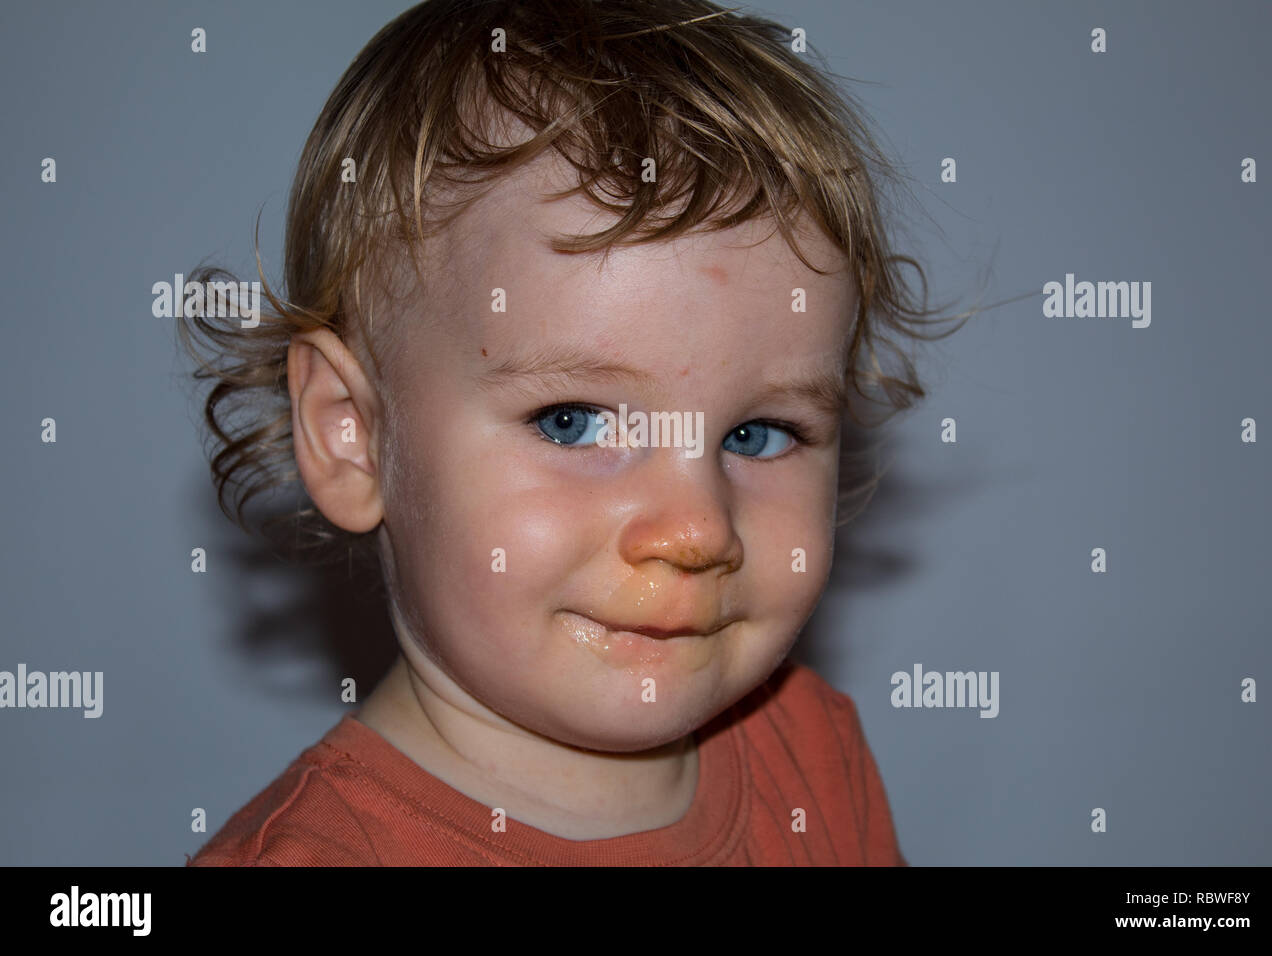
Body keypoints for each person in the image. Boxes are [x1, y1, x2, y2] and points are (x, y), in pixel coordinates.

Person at [182, 0, 964, 866]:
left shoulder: (814, 754)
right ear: (354, 434)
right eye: (574, 422)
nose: (697, 531)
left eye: (757, 434)